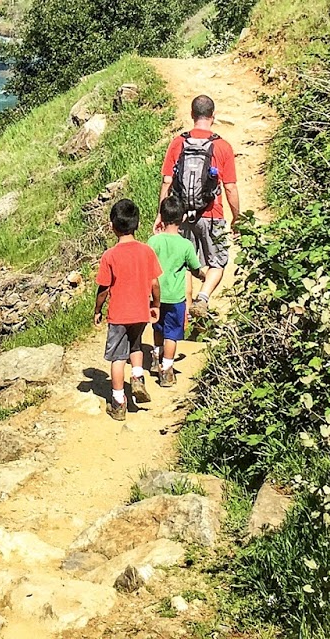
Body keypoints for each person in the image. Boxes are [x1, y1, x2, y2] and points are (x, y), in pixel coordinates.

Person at [160, 94, 239, 312]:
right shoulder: (223, 146)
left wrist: (162, 214)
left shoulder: (178, 143)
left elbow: (167, 181)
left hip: (181, 214)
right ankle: (202, 298)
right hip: (212, 214)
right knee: (217, 263)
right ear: (213, 116)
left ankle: (183, 311)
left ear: (192, 115)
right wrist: (236, 217)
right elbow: (230, 187)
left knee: (183, 265)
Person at [93, 197, 162, 421]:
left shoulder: (109, 256)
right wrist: (155, 304)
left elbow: (103, 289)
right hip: (140, 312)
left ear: (112, 226)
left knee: (117, 358)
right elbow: (154, 283)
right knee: (136, 346)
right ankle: (138, 377)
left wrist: (97, 310)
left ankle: (118, 401)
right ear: (138, 224)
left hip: (119, 315)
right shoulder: (146, 251)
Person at [147, 195, 202, 387]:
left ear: (161, 217)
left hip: (155, 297)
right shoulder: (186, 245)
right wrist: (202, 276)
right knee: (172, 334)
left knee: (158, 328)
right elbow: (195, 268)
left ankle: (155, 356)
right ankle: (167, 369)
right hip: (176, 299)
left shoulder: (153, 242)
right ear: (183, 218)